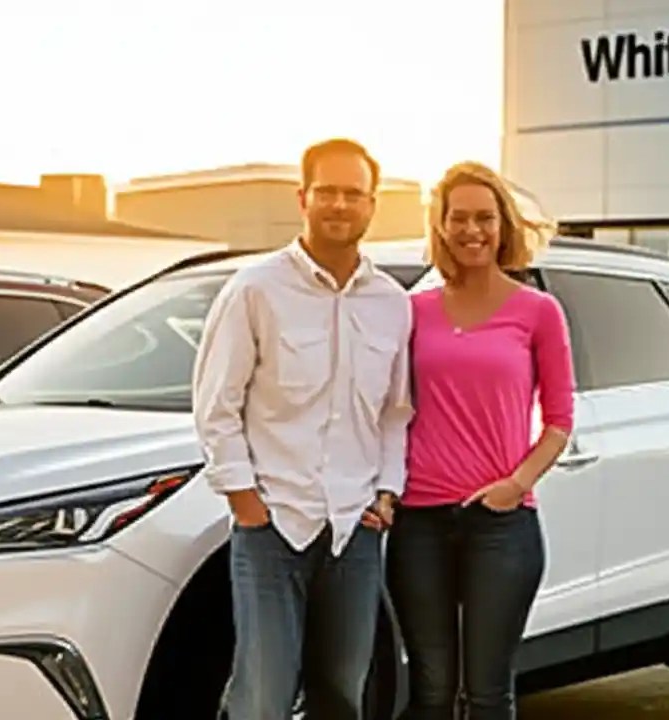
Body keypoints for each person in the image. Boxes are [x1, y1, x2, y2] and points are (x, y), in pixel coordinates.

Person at [192, 137, 413, 720]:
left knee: (342, 693)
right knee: (261, 698)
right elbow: (216, 404)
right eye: (328, 192)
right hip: (272, 527)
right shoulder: (255, 289)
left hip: (355, 530)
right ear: (303, 198)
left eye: (353, 194)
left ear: (372, 204)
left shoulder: (393, 302)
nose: (340, 205)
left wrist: (387, 492)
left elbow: (394, 411)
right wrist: (244, 500)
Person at [385, 161, 575, 719]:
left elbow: (560, 420)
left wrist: (516, 484)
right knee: (430, 689)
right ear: (440, 226)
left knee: (489, 691)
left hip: (501, 525)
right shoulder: (412, 312)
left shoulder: (538, 311)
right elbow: (385, 409)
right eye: (460, 218)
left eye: (485, 218)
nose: (473, 230)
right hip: (418, 521)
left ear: (504, 225)